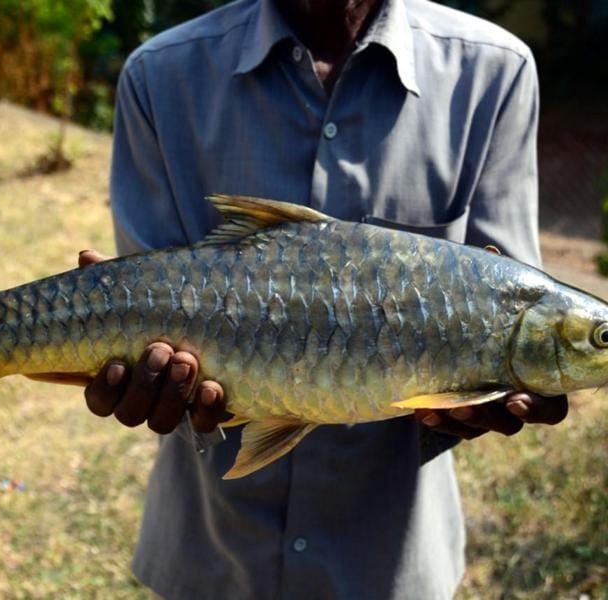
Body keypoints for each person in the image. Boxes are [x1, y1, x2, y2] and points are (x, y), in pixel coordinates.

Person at [78, 0, 569, 597]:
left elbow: (515, 295)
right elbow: (149, 318)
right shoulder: (159, 73)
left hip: (389, 559)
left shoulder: (494, 72)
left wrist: (487, 402)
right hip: (213, 551)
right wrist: (152, 382)